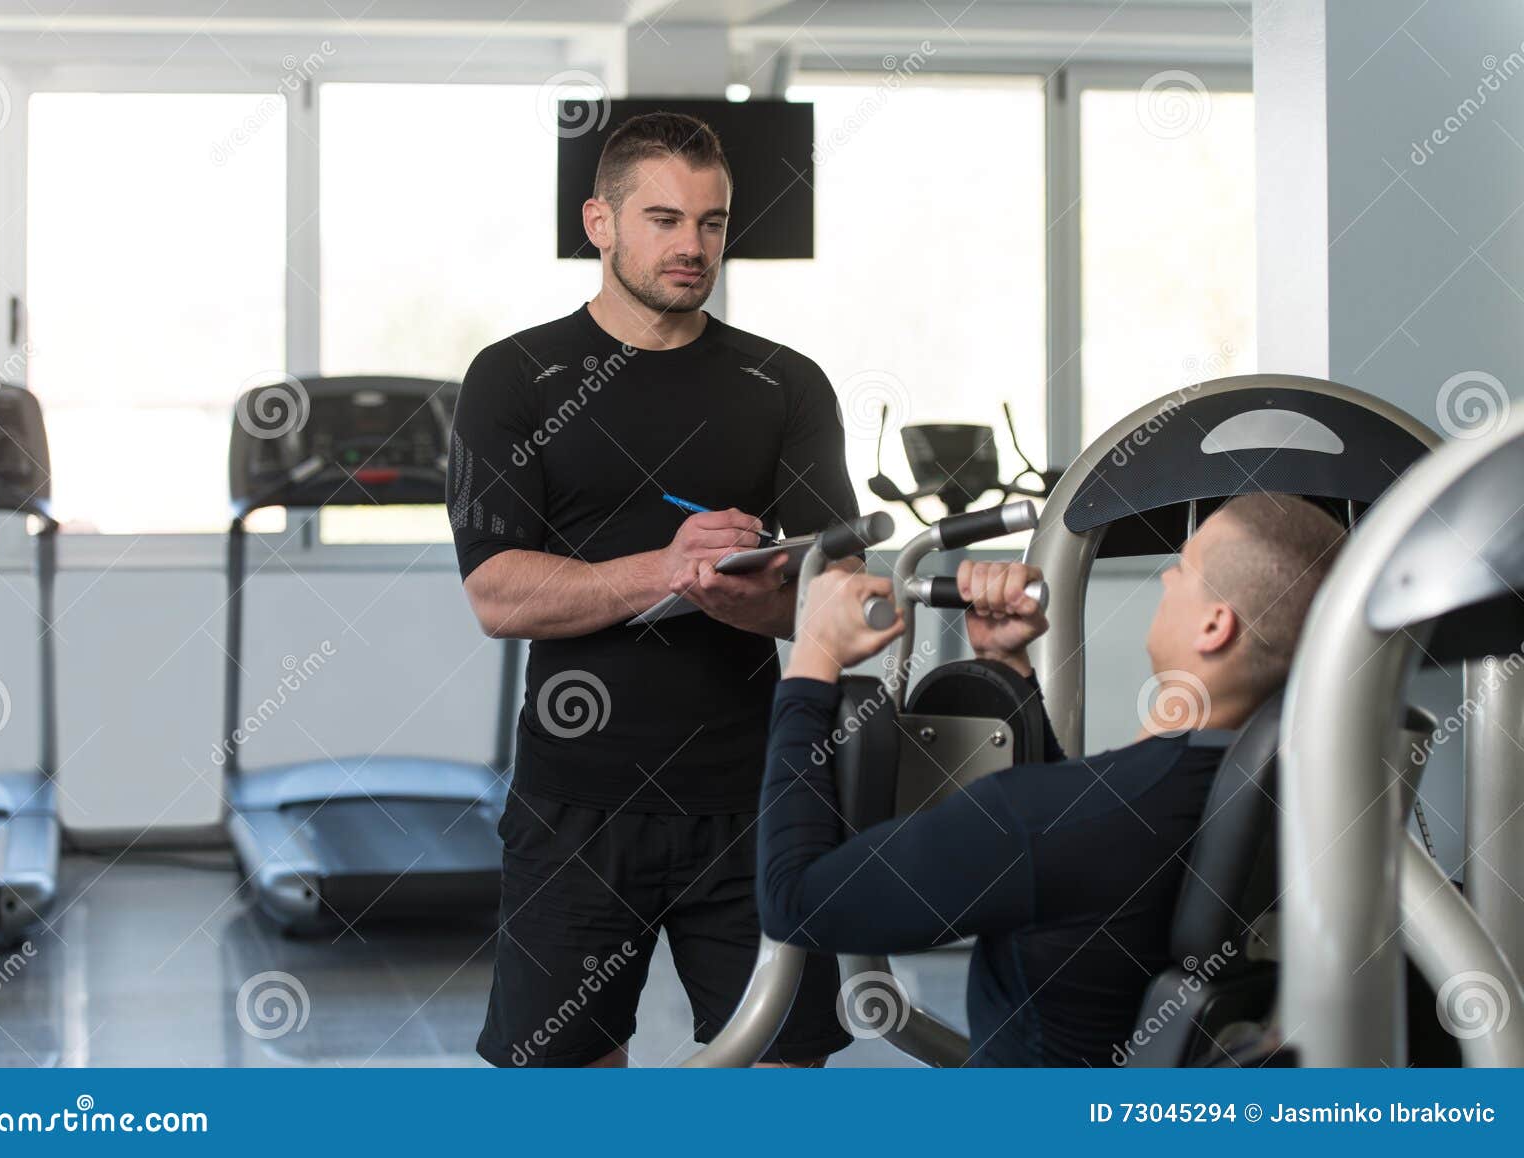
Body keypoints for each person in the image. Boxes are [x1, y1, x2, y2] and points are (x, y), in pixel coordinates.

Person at [449, 111, 857, 1067]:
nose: (692, 246)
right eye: (664, 220)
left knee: (783, 1083)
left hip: (755, 802)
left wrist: (747, 594)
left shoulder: (785, 384)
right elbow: (498, 595)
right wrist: (668, 569)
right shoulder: (515, 378)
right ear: (600, 222)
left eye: (712, 223)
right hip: (576, 808)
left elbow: (837, 596)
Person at [756, 492, 1347, 1065]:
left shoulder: (1056, 819)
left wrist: (813, 657)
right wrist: (1007, 664)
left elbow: (796, 899)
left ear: (1215, 626)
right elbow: (1080, 842)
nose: (1167, 579)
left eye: (1184, 569)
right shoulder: (1298, 796)